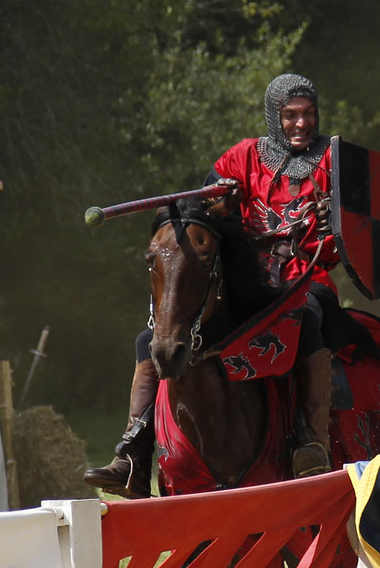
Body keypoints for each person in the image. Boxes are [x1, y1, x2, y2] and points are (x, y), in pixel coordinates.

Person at [88, 72, 351, 492]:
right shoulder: (245, 156)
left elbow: (356, 233)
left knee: (310, 316)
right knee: (152, 339)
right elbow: (204, 207)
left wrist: (335, 224)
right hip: (249, 280)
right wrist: (220, 202)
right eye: (290, 115)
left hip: (306, 278)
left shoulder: (334, 163)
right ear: (274, 117)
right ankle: (133, 452)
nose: (301, 123)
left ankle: (310, 441)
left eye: (308, 114)